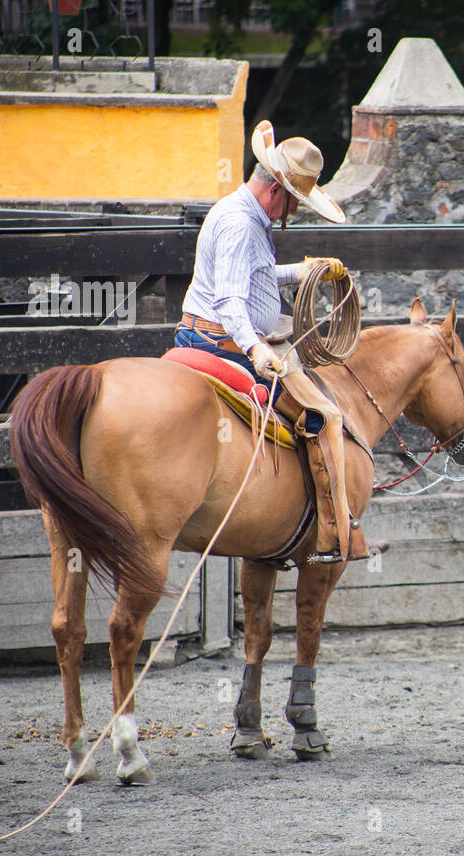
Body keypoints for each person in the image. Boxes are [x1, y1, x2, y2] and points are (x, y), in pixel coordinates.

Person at [176, 120, 364, 562]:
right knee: (324, 415)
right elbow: (230, 300)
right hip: (222, 342)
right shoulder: (242, 224)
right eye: (295, 202)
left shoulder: (242, 215)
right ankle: (333, 531)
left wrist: (300, 272)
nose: (294, 213)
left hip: (211, 334)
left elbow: (251, 277)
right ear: (277, 191)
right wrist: (256, 348)